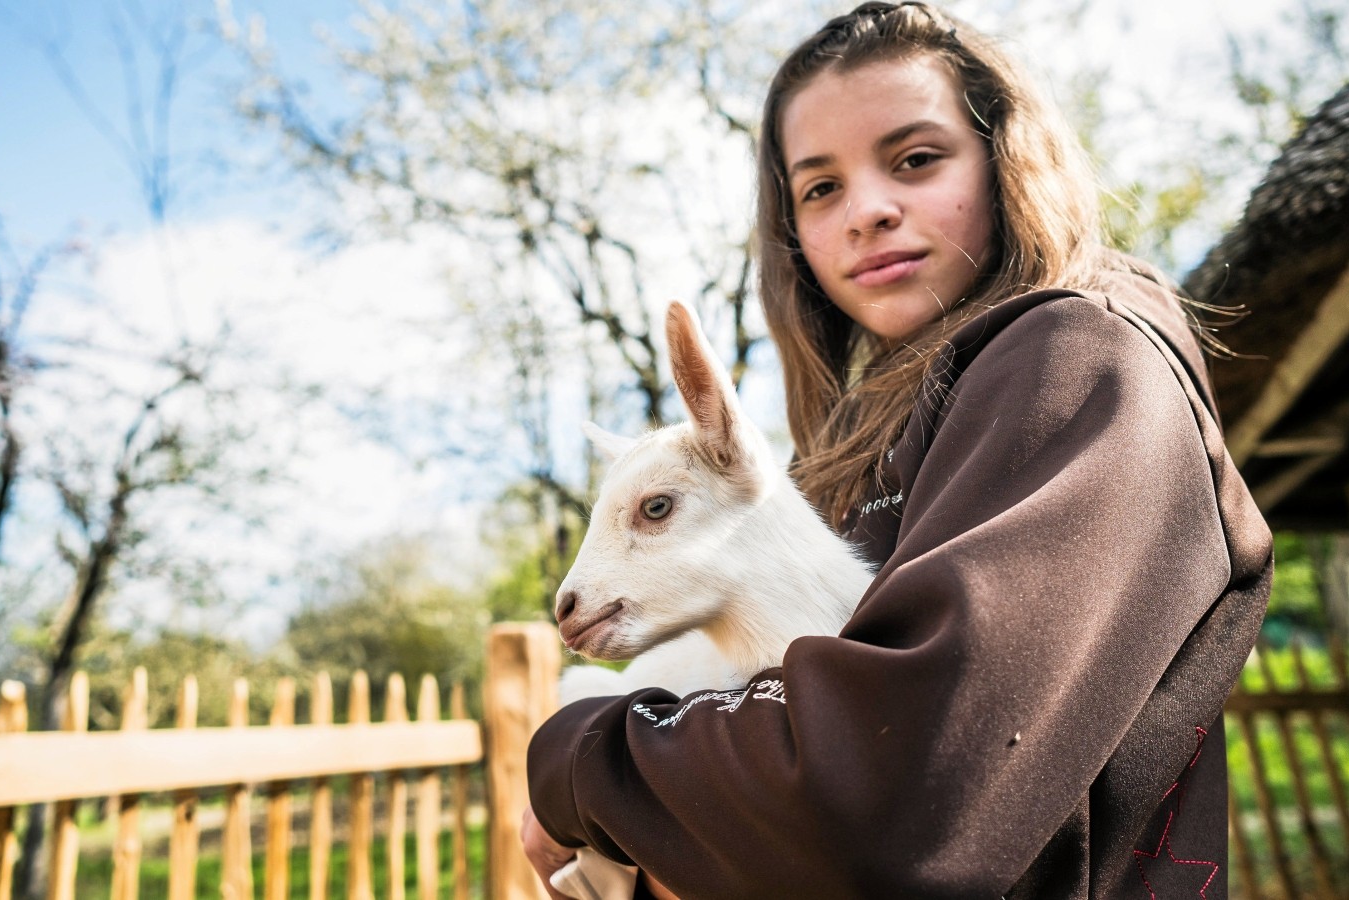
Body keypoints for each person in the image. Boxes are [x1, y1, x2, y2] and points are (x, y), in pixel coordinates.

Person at [521, 2, 1273, 898]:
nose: (868, 211)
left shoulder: (1081, 365)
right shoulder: (852, 455)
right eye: (819, 188)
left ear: (1003, 162)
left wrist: (575, 764)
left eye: (916, 159)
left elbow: (903, 796)